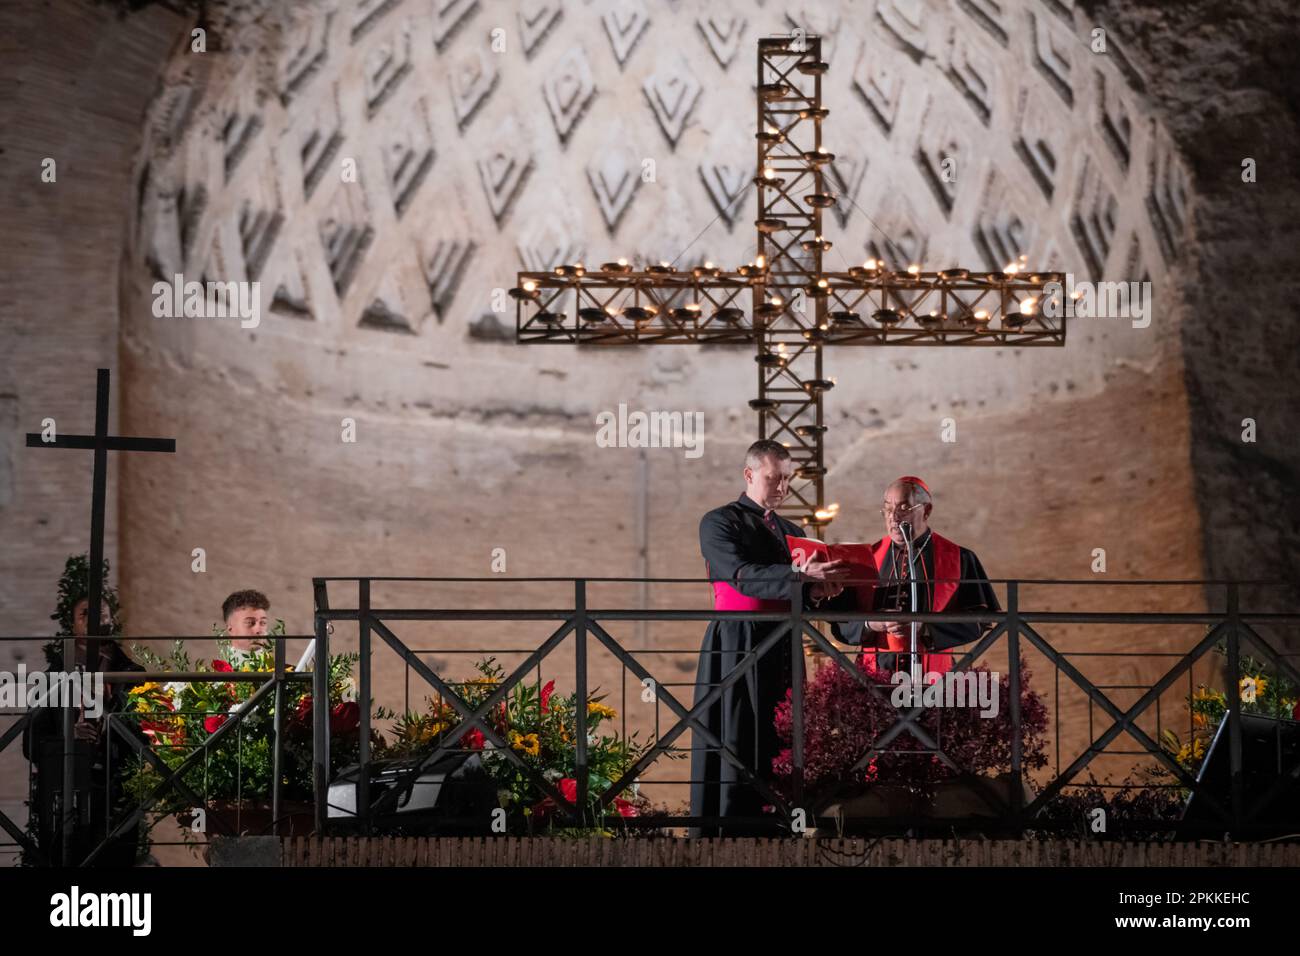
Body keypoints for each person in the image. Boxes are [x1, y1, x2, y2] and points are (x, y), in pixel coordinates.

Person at [690, 439, 849, 834]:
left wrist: (820, 591)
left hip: (783, 645)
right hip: (736, 643)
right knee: (736, 734)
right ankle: (728, 829)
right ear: (749, 475)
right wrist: (800, 579)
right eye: (773, 478)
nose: (782, 487)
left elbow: (801, 594)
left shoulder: (793, 531)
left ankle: (780, 823)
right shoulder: (719, 521)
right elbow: (738, 574)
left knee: (783, 733)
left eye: (787, 480)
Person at [833, 476, 998, 675]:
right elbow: (839, 622)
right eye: (888, 508)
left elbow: (979, 620)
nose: (894, 517)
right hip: (872, 679)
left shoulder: (960, 558)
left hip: (934, 680)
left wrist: (925, 627)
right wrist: (870, 624)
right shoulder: (867, 558)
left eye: (904, 508)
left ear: (926, 510)